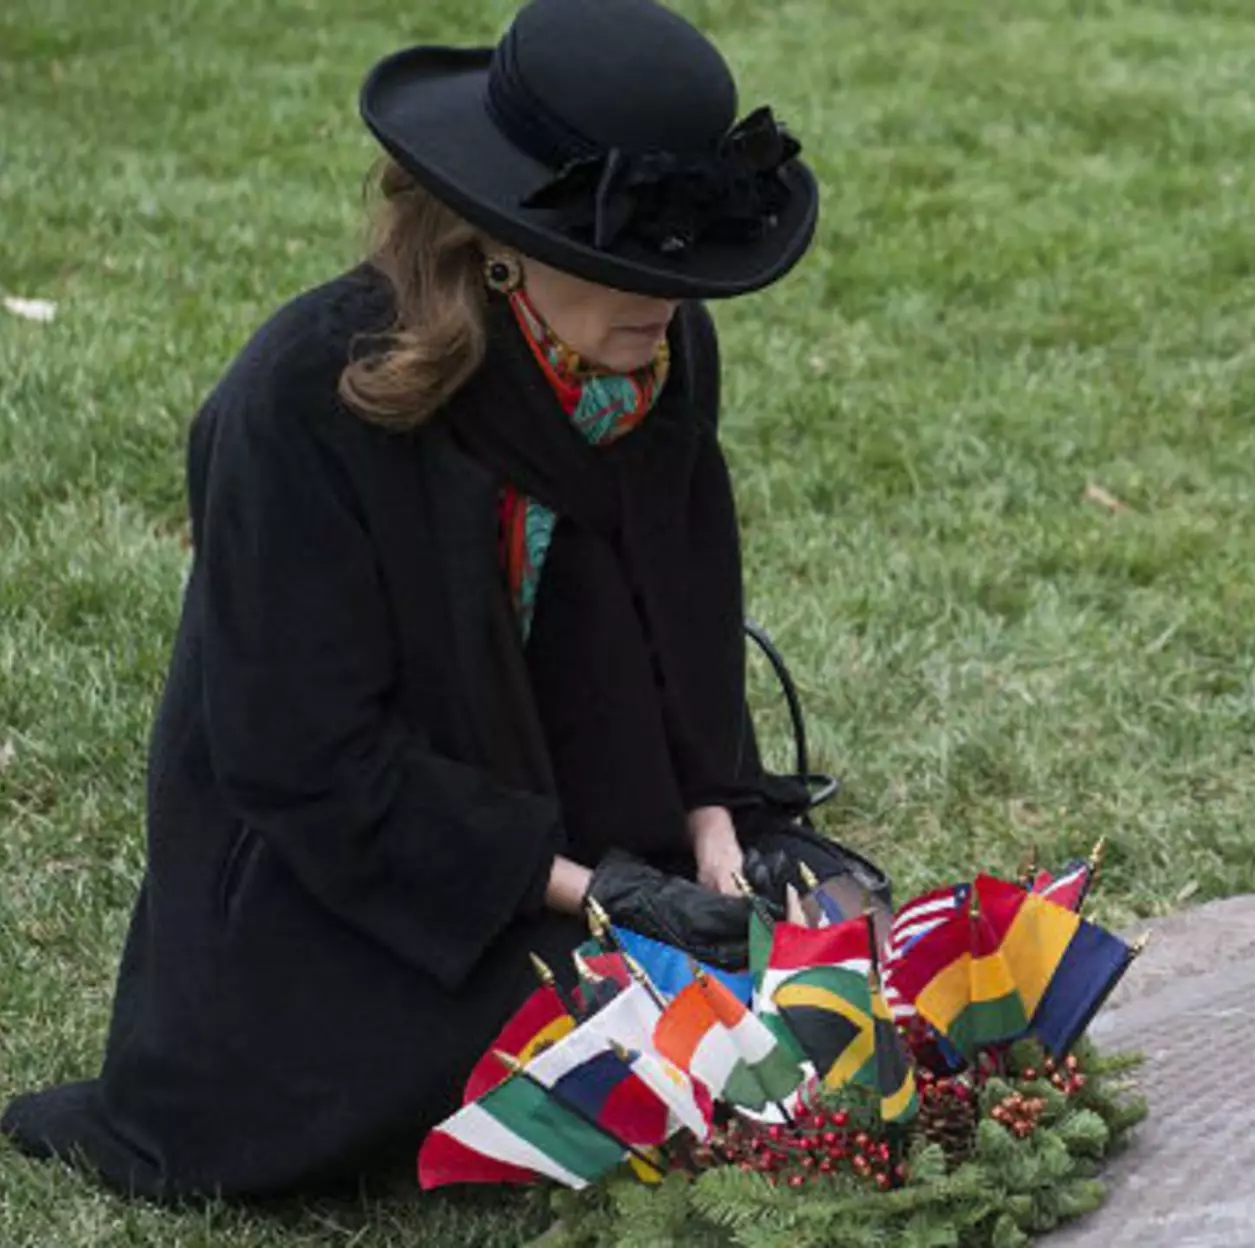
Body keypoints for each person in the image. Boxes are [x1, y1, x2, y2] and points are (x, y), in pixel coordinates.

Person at [0, 0, 842, 1200]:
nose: (666, 302)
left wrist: (713, 823)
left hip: (584, 833)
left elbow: (687, 610)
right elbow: (302, 761)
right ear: (499, 243)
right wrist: (595, 892)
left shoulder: (653, 346)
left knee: (811, 957)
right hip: (359, 886)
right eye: (622, 266)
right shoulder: (312, 399)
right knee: (638, 1036)